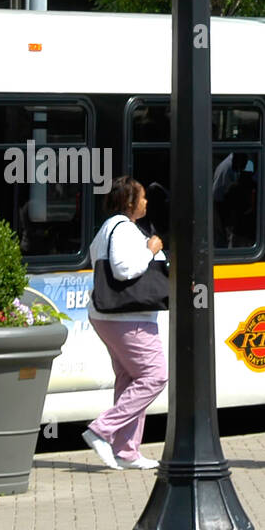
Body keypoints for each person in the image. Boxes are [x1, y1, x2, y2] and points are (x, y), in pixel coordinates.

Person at [83, 176, 168, 470]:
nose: (146, 202)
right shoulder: (122, 228)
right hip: (127, 317)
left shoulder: (110, 228)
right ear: (130, 202)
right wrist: (151, 250)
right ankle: (101, 430)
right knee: (155, 376)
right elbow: (122, 270)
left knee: (130, 379)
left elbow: (97, 257)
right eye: (142, 197)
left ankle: (127, 451)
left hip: (110, 316)